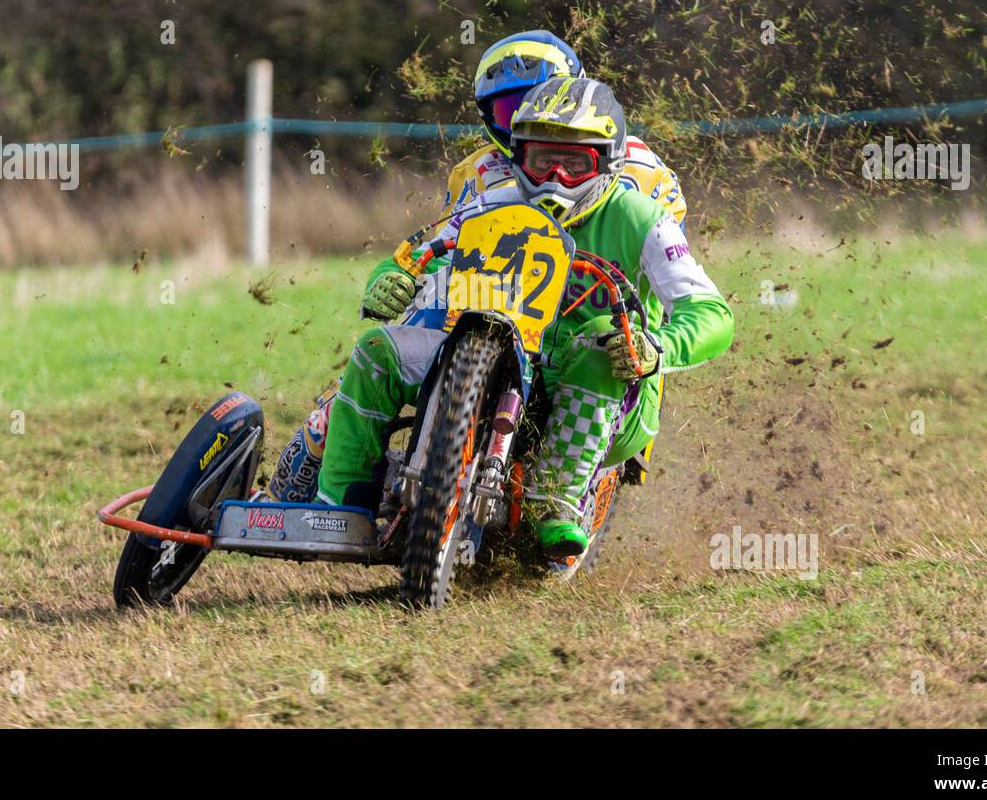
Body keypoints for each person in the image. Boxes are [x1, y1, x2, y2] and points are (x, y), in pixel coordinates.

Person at [300, 76, 733, 559]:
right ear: (518, 156)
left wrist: (658, 348)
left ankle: (557, 503)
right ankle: (339, 504)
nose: (554, 178)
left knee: (599, 338)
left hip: (610, 382)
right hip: (496, 346)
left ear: (607, 162)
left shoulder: (644, 220)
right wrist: (392, 278)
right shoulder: (492, 202)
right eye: (541, 160)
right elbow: (419, 254)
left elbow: (711, 313)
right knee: (377, 350)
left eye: (574, 164)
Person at [359, 30, 688, 322]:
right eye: (511, 112)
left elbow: (668, 259)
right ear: (488, 118)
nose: (535, 117)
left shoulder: (639, 163)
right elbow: (440, 258)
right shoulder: (476, 172)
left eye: (545, 99)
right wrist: (395, 279)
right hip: (499, 311)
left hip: (604, 308)